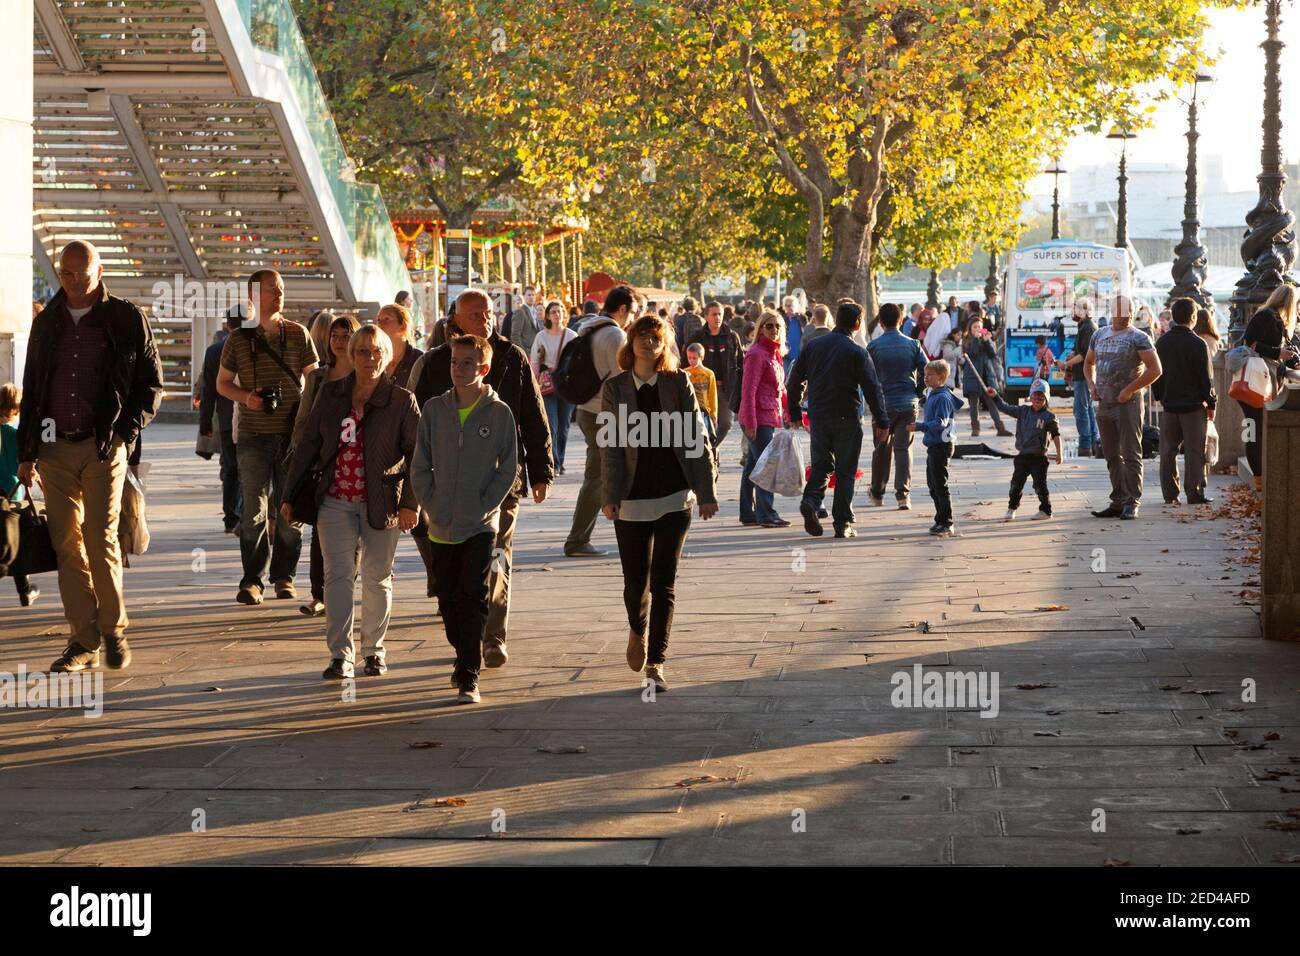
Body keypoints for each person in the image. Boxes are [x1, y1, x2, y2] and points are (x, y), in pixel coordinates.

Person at [17, 240, 164, 672]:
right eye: (66, 273)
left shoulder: (124, 317)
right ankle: (83, 639)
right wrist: (27, 454)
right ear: (59, 274)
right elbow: (32, 392)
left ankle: (113, 629)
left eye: (83, 272)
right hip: (54, 449)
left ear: (99, 271)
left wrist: (123, 433)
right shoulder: (46, 325)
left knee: (101, 539)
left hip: (104, 448)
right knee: (66, 544)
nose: (75, 281)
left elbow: (150, 385)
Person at [410, 287, 552, 666]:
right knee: (452, 571)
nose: (484, 320)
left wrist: (541, 470)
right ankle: (465, 625)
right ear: (455, 318)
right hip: (448, 487)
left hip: (501, 485)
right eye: (475, 315)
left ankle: (493, 636)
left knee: (498, 557)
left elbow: (534, 418)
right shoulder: (438, 362)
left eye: (488, 313)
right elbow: (417, 428)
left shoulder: (512, 357)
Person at [282, 325, 419, 679]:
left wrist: (411, 504)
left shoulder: (401, 400)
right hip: (335, 500)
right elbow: (308, 445)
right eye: (362, 351)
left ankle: (374, 651)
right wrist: (289, 494)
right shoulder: (331, 394)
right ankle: (340, 655)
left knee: (377, 577)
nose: (370, 358)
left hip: (383, 500)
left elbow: (418, 456)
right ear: (351, 355)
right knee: (337, 577)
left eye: (377, 352)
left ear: (386, 356)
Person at [601, 314, 718, 693]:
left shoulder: (677, 381)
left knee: (664, 582)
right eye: (641, 337)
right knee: (636, 583)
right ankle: (637, 630)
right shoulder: (616, 387)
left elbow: (694, 437)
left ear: (664, 343)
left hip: (673, 495)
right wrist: (609, 495)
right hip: (632, 498)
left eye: (655, 338)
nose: (648, 344)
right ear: (630, 341)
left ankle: (656, 661)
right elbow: (611, 446)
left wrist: (706, 491)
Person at [410, 334, 517, 703]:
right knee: (448, 600)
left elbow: (508, 469)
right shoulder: (434, 410)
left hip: (479, 525)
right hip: (440, 525)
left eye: (468, 363)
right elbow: (420, 464)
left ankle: (469, 673)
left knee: (473, 596)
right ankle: (462, 653)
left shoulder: (498, 413)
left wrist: (487, 505)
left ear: (483, 368)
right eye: (455, 362)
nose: (459, 369)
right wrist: (431, 503)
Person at [216, 269, 319, 604]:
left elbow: (313, 379)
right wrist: (248, 398)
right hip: (253, 436)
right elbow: (222, 383)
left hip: (292, 437)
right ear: (253, 297)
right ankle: (252, 580)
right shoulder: (238, 339)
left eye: (281, 289)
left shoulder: (299, 334)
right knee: (254, 512)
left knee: (290, 511)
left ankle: (284, 577)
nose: (279, 294)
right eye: (272, 289)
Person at [788, 301, 888, 538]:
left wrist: (794, 412)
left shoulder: (814, 346)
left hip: (819, 415)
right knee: (845, 470)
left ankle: (811, 501)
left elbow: (795, 381)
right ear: (857, 323)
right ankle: (842, 522)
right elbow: (872, 388)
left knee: (822, 465)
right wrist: (881, 421)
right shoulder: (856, 351)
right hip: (847, 416)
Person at [292, 312, 360, 615]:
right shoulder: (318, 377)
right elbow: (304, 420)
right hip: (323, 464)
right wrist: (301, 456)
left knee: (354, 534)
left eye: (346, 336)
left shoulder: (366, 375)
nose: (340, 342)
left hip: (356, 464)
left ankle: (343, 585)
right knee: (320, 530)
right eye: (335, 336)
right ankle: (320, 593)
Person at [563, 287, 630, 557]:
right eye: (631, 312)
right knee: (599, 477)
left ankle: (586, 537)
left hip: (587, 409)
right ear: (623, 309)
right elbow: (622, 380)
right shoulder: (615, 334)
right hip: (604, 412)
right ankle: (577, 540)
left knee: (604, 474)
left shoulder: (586, 328)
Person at [1085, 294, 1163, 520]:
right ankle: (1118, 499)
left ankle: (1132, 501)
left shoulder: (1139, 337)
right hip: (1104, 404)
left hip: (1128, 403)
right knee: (1110, 453)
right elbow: (1088, 363)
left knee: (1130, 452)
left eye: (1129, 312)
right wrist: (1091, 384)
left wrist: (1130, 389)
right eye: (1121, 312)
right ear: (1112, 311)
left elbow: (1155, 369)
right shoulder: (1099, 334)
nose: (1126, 317)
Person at [1153, 297, 1216, 506]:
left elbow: (1156, 375)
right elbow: (1205, 378)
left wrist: (1160, 397)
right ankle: (1194, 492)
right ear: (1193, 317)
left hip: (1169, 406)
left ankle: (1170, 494)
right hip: (1193, 407)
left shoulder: (1161, 342)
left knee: (1168, 452)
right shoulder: (1198, 344)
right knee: (1194, 451)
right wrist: (1211, 403)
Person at [867, 303, 929, 510]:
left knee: (881, 448)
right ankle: (903, 495)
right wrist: (919, 392)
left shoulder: (873, 347)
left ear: (881, 322)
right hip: (907, 403)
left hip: (883, 405)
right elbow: (926, 369)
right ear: (901, 320)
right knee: (903, 449)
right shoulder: (913, 344)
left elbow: (867, 377)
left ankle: (877, 492)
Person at [738, 309, 793, 528]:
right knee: (766, 466)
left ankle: (748, 513)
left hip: (769, 415)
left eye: (778, 326)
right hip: (757, 417)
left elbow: (782, 388)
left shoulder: (775, 354)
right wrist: (750, 422)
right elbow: (748, 390)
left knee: (753, 466)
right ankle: (766, 513)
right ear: (760, 328)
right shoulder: (757, 354)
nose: (774, 330)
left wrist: (790, 412)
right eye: (769, 326)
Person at [1239, 284, 1300, 477]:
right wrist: (1279, 353)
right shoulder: (1266, 316)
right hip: (1256, 380)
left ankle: (1260, 475)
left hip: (1264, 379)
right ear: (1290, 303)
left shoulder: (1274, 317)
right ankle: (1258, 476)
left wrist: (1289, 355)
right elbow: (1250, 343)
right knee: (1253, 428)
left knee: (1255, 427)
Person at [987, 379, 1062, 521]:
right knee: (1016, 484)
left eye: (1041, 396)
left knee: (1040, 486)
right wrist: (995, 396)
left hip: (1039, 458)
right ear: (1030, 397)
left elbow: (1056, 435)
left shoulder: (1049, 417)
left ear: (1046, 398)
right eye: (1035, 396)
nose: (1037, 399)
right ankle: (1012, 508)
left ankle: (1046, 510)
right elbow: (1005, 407)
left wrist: (1060, 453)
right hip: (1022, 457)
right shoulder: (1023, 411)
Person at [199, 305, 245, 534]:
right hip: (249, 417)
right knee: (248, 468)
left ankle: (230, 516)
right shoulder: (254, 345)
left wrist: (205, 422)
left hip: (226, 419)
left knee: (230, 469)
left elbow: (208, 391)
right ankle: (243, 512)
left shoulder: (215, 350)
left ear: (227, 323)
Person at [1, 384, 38, 606]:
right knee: (16, 542)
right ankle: (24, 590)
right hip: (11, 497)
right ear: (16, 410)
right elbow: (23, 465)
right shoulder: (15, 435)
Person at [530, 299, 577, 474]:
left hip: (566, 385)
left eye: (560, 311)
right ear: (548, 316)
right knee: (551, 424)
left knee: (564, 426)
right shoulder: (541, 336)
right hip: (547, 384)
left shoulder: (572, 336)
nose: (557, 315)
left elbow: (579, 362)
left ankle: (560, 461)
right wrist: (532, 384)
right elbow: (534, 362)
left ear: (564, 314)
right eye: (553, 312)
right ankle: (555, 463)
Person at [916, 359, 962, 536]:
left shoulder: (942, 397)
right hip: (934, 445)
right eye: (925, 375)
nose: (926, 378)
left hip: (941, 445)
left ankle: (947, 521)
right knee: (932, 484)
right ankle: (940, 518)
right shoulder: (933, 393)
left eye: (930, 375)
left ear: (942, 377)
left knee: (940, 484)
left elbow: (940, 423)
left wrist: (920, 426)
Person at [687, 300, 743, 444]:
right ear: (706, 316)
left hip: (725, 387)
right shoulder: (697, 337)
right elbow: (685, 360)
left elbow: (740, 362)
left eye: (720, 314)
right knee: (702, 423)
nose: (717, 317)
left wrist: (740, 385)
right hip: (701, 386)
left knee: (725, 423)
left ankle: (711, 448)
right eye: (714, 314)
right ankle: (706, 453)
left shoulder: (731, 336)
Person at [1057, 298, 1099, 458]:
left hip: (1083, 374)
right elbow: (1080, 351)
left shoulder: (1087, 327)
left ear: (1083, 310)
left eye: (1074, 307)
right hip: (1083, 374)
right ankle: (1092, 443)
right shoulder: (1084, 326)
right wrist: (1071, 354)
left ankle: (1086, 444)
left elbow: (1085, 355)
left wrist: (1066, 365)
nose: (1072, 310)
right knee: (1086, 409)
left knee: (1081, 410)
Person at [960, 318, 1011, 437]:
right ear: (970, 329)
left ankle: (1000, 428)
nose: (978, 329)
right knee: (973, 403)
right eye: (975, 327)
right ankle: (975, 428)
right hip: (973, 375)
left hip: (987, 375)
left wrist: (987, 341)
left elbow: (992, 354)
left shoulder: (986, 338)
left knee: (991, 402)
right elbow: (972, 353)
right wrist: (976, 339)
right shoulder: (967, 340)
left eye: (979, 326)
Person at [377, 303, 423, 387]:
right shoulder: (375, 357)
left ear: (403, 326)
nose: (380, 325)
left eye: (387, 319)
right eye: (378, 320)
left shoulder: (419, 359)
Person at [683, 343, 718, 425]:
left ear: (701, 357)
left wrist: (714, 413)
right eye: (689, 358)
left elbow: (712, 395)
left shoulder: (709, 374)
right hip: (689, 410)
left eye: (694, 358)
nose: (691, 361)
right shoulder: (684, 372)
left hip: (704, 411)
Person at [509, 284, 543, 356]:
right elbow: (515, 336)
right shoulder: (520, 312)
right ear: (524, 296)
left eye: (533, 295)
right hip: (527, 353)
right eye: (529, 295)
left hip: (538, 352)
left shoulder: (536, 312)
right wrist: (525, 353)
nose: (531, 297)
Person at [781, 295, 807, 375]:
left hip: (799, 354)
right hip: (786, 354)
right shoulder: (782, 319)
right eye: (788, 306)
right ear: (784, 307)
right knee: (785, 377)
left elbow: (806, 334)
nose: (791, 307)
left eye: (793, 305)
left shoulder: (802, 318)